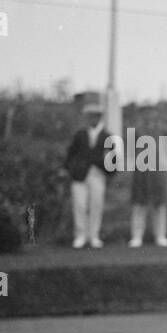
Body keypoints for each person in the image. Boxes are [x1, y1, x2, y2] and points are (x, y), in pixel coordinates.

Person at [64, 96, 114, 248]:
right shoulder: (80, 135)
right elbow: (70, 154)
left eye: (95, 116)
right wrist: (69, 169)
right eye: (90, 116)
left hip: (97, 174)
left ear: (100, 117)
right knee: (80, 205)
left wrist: (109, 172)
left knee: (96, 205)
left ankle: (94, 236)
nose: (92, 119)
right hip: (80, 174)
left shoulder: (107, 136)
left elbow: (112, 158)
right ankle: (80, 236)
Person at [128, 105, 167, 247]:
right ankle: (136, 236)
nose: (149, 115)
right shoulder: (136, 130)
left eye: (152, 112)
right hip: (141, 171)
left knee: (159, 204)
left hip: (158, 171)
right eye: (146, 113)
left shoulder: (163, 130)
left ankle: (160, 235)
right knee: (139, 204)